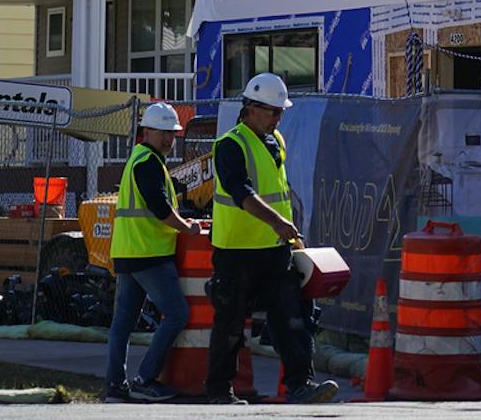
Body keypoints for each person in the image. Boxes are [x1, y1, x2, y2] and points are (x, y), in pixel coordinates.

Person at [204, 73, 336, 405]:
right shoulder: (229, 145)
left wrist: (287, 234)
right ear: (251, 108)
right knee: (231, 327)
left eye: (280, 112)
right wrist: (278, 222)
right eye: (273, 111)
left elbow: (277, 192)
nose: (278, 118)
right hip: (236, 252)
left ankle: (301, 385)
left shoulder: (275, 140)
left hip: (275, 251)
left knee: (293, 318)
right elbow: (241, 192)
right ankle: (220, 391)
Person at [105, 102, 203, 403]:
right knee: (176, 314)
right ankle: (145, 379)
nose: (169, 140)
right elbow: (160, 208)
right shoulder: (148, 162)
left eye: (172, 134)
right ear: (147, 132)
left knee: (122, 323)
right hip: (149, 254)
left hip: (129, 252)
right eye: (164, 134)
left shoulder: (140, 159)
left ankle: (115, 387)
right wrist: (186, 227)